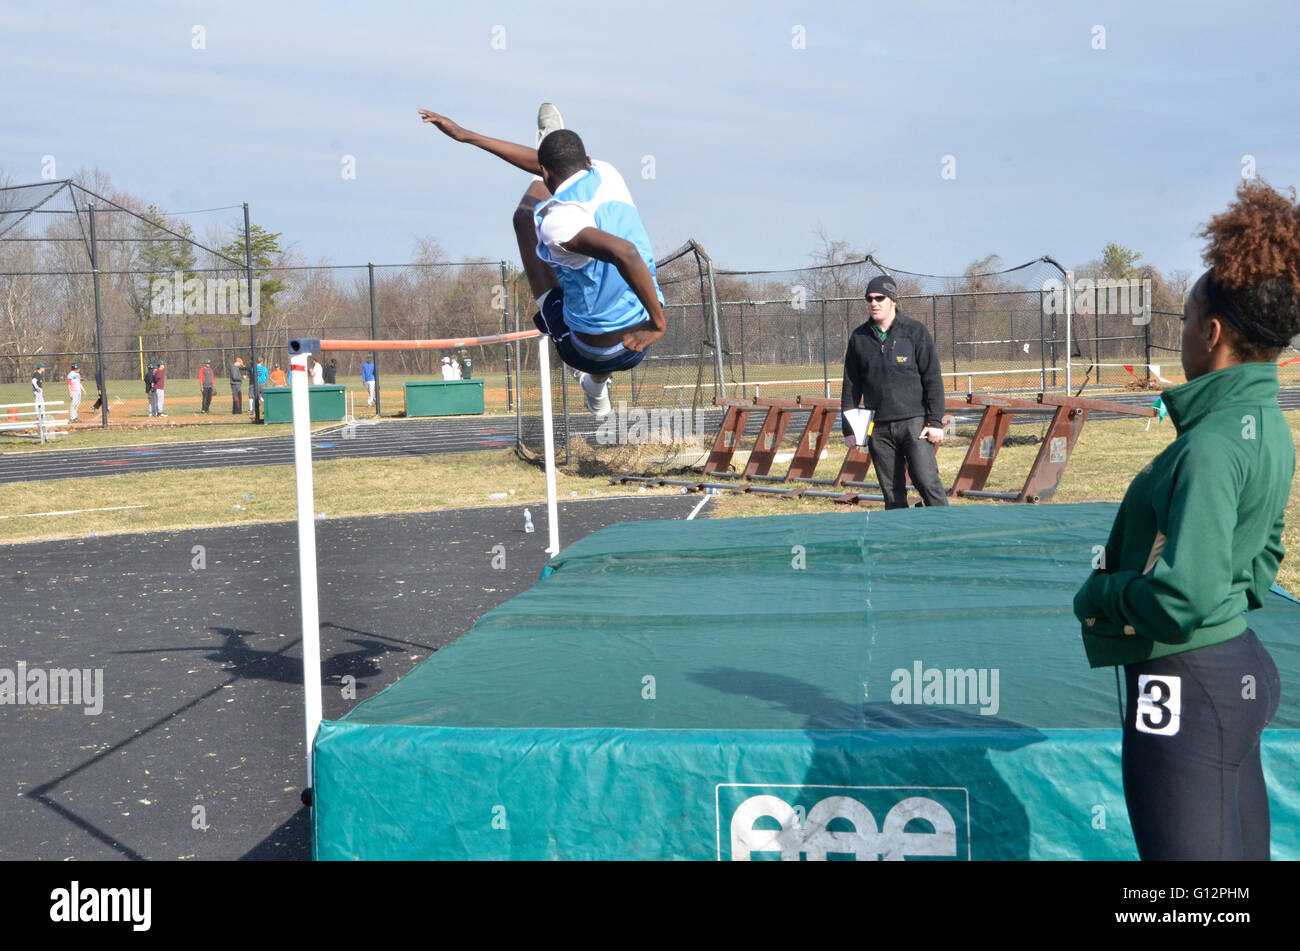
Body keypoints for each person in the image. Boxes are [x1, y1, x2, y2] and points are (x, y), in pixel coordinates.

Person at [1073, 179, 1299, 861]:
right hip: (1234, 668)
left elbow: (1183, 597)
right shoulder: (1265, 423)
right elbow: (1261, 563)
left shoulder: (1209, 444)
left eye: (1183, 324)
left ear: (1213, 333)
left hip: (1184, 687)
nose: (1181, 338)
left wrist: (1100, 596)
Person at [418, 104, 666, 417]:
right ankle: (597, 386)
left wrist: (658, 326)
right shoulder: (608, 173)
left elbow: (625, 253)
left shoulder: (558, 220)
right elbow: (626, 253)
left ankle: (595, 378)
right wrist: (467, 136)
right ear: (587, 161)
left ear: (545, 171)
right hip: (638, 337)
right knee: (584, 267)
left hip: (587, 352)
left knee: (525, 218)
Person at [840, 275, 948, 509]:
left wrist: (936, 421)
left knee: (927, 482)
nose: (874, 303)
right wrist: (850, 429)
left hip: (914, 424)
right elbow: (851, 385)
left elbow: (932, 378)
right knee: (891, 491)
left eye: (880, 298)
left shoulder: (915, 331)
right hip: (877, 428)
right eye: (869, 299)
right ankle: (900, 540)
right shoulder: (859, 338)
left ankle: (945, 534)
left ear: (893, 300)